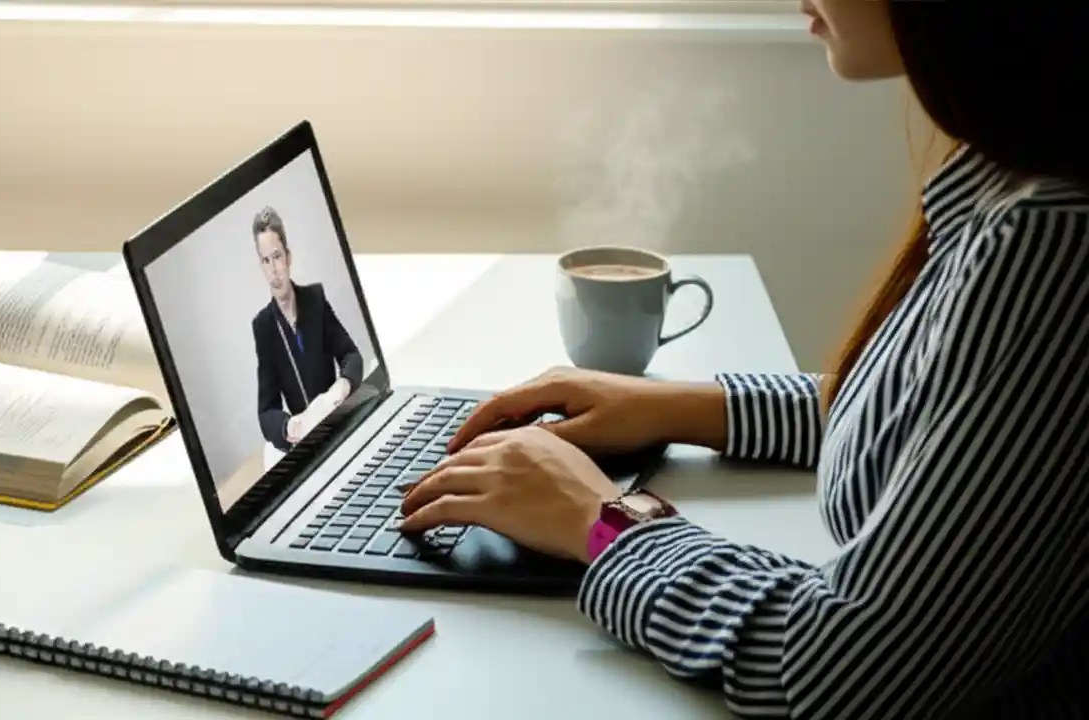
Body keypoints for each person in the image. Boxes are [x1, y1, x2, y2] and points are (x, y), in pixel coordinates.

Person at [400, 4, 1088, 718]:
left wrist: (601, 520)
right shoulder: (1016, 187)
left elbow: (843, 669)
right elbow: (933, 417)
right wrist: (682, 407)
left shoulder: (1050, 242)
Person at [251, 206, 363, 452]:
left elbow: (351, 356)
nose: (273, 270)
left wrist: (341, 388)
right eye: (266, 261)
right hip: (307, 442)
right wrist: (287, 426)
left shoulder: (314, 299)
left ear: (288, 257)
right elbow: (266, 411)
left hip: (338, 422)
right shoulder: (263, 326)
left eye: (277, 256)